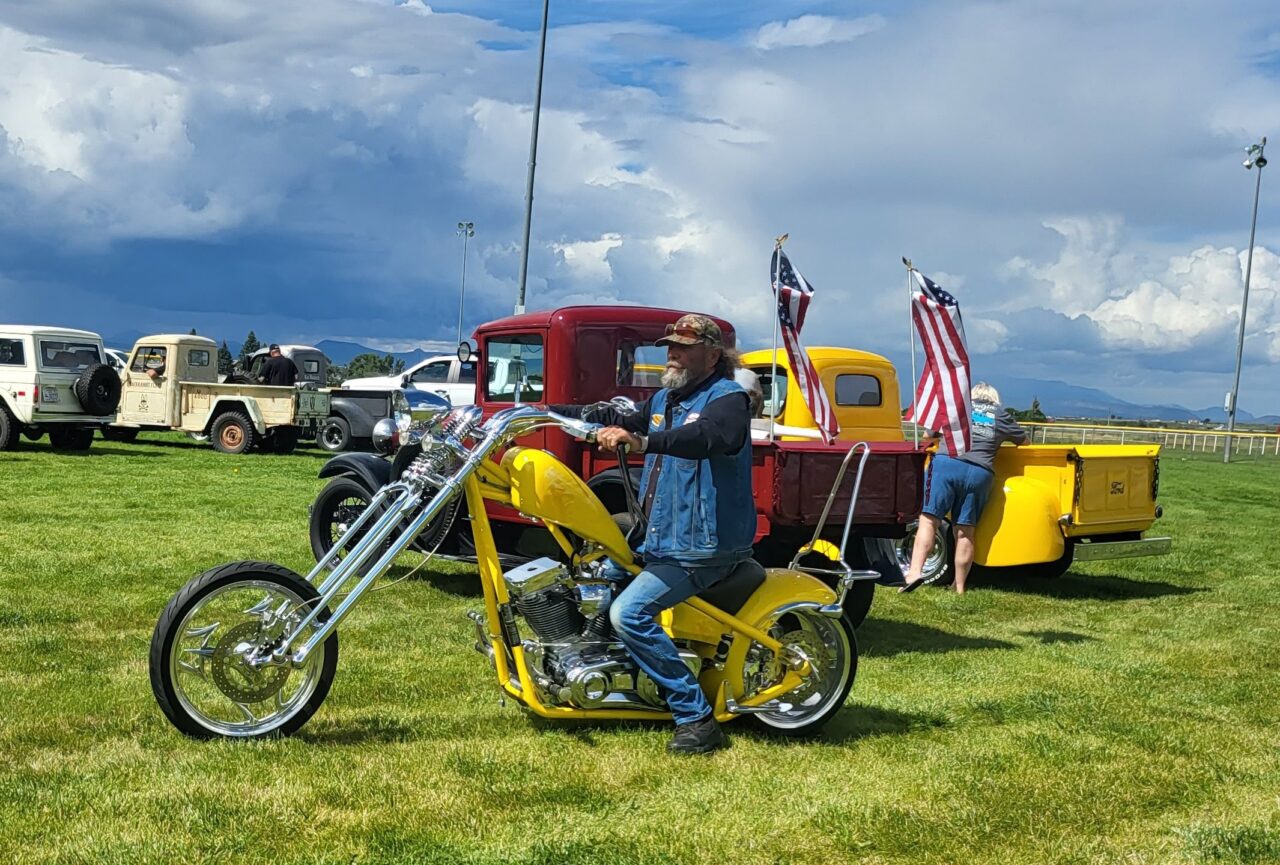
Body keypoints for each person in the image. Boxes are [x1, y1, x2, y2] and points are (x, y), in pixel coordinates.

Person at [550, 314, 754, 754]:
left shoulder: (729, 399)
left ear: (712, 355)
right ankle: (595, 675)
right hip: (658, 540)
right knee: (593, 581)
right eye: (669, 346)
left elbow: (707, 437)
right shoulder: (666, 399)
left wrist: (642, 442)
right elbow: (625, 417)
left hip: (704, 547)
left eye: (683, 346)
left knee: (630, 613)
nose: (672, 353)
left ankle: (695, 717)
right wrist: (546, 413)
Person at [900, 382, 1028, 594]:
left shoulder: (955, 408)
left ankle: (914, 573)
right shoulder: (1000, 414)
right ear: (994, 399)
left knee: (929, 520)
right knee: (965, 530)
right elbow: (1024, 442)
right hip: (980, 472)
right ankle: (958, 586)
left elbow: (926, 436)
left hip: (947, 463)